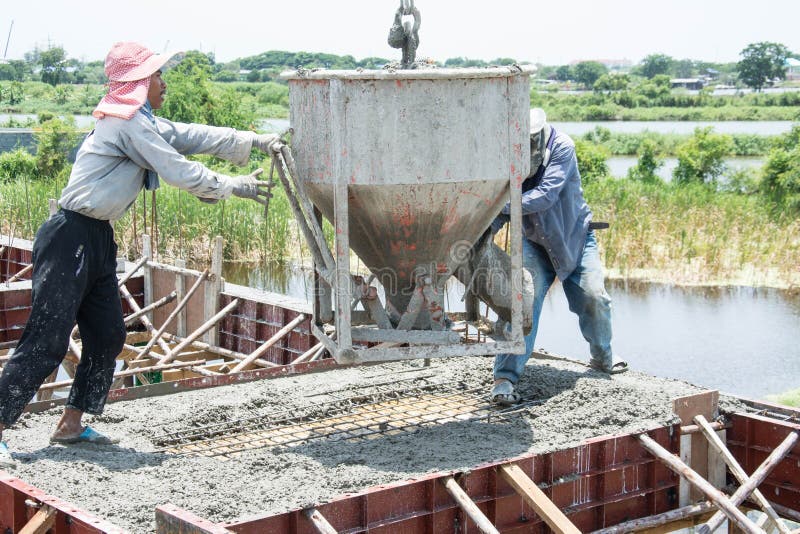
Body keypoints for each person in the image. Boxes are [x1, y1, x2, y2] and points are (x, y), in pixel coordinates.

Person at [0, 42, 282, 466]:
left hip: (96, 238)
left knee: (109, 335)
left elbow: (190, 135)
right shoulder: (125, 124)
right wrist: (233, 186)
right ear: (139, 83)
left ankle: (71, 424)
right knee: (47, 340)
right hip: (69, 238)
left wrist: (253, 140)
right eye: (156, 77)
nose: (163, 84)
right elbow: (177, 167)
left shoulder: (140, 122)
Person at [490, 108, 627, 406]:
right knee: (523, 301)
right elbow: (500, 203)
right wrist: (483, 232)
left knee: (593, 297)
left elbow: (546, 194)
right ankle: (504, 377)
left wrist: (501, 207)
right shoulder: (510, 158)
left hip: (574, 238)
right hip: (535, 243)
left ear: (537, 136)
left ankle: (602, 356)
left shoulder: (562, 147)